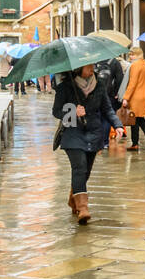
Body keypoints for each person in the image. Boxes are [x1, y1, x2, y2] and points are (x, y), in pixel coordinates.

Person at [52, 64, 125, 224]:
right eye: (88, 66)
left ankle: (74, 198)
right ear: (78, 69)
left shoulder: (99, 85)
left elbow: (107, 109)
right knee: (79, 167)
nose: (92, 68)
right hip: (72, 133)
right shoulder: (65, 87)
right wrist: (72, 111)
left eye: (92, 65)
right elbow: (56, 111)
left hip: (93, 133)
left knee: (86, 171)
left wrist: (117, 125)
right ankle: (83, 207)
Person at [122, 47, 145, 150]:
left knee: (134, 119)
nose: (130, 57)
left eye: (132, 55)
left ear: (137, 55)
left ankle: (135, 144)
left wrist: (126, 98)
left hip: (136, 96)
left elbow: (132, 83)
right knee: (139, 118)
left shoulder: (135, 65)